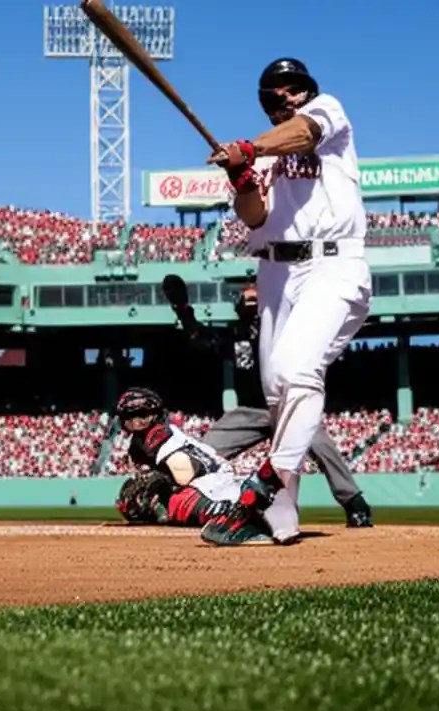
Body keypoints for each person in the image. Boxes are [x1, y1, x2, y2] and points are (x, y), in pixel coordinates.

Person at [199, 57, 373, 546]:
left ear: (308, 90)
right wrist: (240, 177)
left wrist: (248, 147)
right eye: (277, 92)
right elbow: (254, 218)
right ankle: (282, 517)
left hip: (332, 264)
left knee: (298, 371)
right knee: (278, 395)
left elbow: (305, 132)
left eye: (295, 88)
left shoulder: (326, 114)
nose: (288, 96)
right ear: (266, 101)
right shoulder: (266, 154)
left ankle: (262, 490)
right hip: (275, 272)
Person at [160, 272, 374, 528]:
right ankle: (176, 500)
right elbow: (199, 338)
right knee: (204, 449)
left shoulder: (286, 329)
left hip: (288, 406)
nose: (251, 297)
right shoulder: (234, 336)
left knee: (320, 443)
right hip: (252, 410)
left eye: (256, 295)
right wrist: (183, 310)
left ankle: (355, 503)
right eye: (246, 297)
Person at [113, 387, 273, 542]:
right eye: (129, 418)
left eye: (141, 415)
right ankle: (246, 505)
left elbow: (185, 475)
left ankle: (237, 515)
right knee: (173, 500)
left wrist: (160, 481)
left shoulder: (160, 440)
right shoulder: (151, 440)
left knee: (179, 501)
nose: (136, 422)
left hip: (213, 484)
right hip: (217, 481)